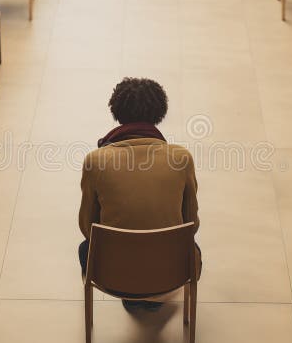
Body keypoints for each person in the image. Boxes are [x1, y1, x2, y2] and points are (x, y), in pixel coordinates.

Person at [78, 77, 201, 312]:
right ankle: (153, 296)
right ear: (159, 113)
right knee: (191, 246)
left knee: (85, 248)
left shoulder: (96, 161)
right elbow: (191, 224)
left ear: (116, 112)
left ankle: (133, 294)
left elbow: (87, 227)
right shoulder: (181, 158)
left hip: (112, 274)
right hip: (169, 272)